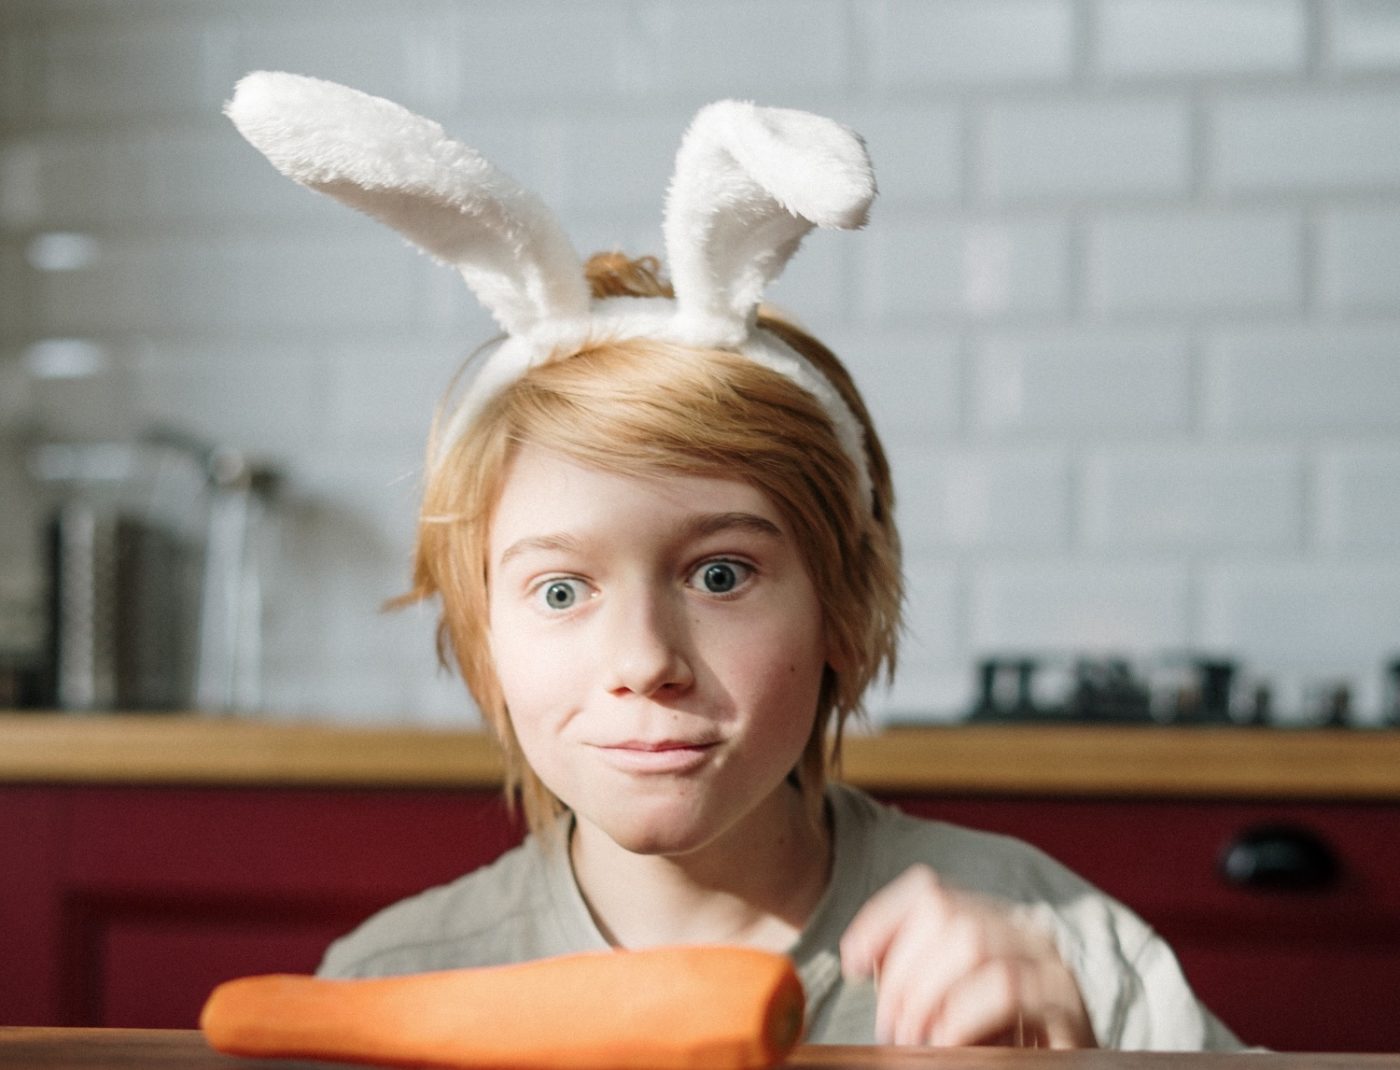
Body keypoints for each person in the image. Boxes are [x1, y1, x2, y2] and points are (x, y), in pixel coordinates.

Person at [227, 72, 1242, 1051]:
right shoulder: (388, 983)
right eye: (560, 588)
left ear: (844, 605)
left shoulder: (1061, 951)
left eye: (718, 573)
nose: (643, 659)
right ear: (485, 642)